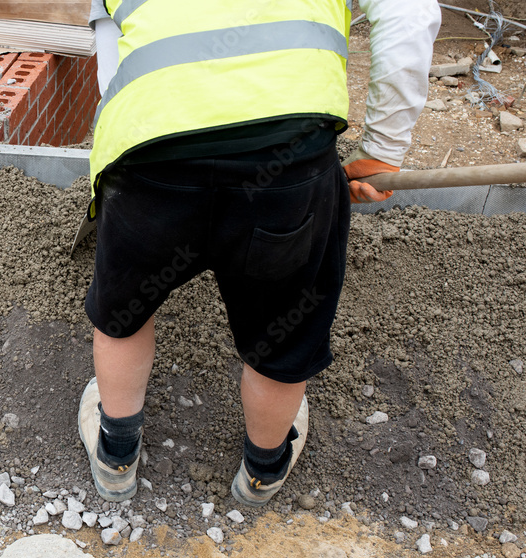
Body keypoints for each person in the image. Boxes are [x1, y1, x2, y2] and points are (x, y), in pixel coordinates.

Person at [78, 0, 441, 506]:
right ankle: (262, 474)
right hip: (285, 164)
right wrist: (383, 145)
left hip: (152, 157)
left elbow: (112, 66)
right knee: (283, 327)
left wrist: (136, 148)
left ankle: (116, 458)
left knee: (125, 311)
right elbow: (409, 15)